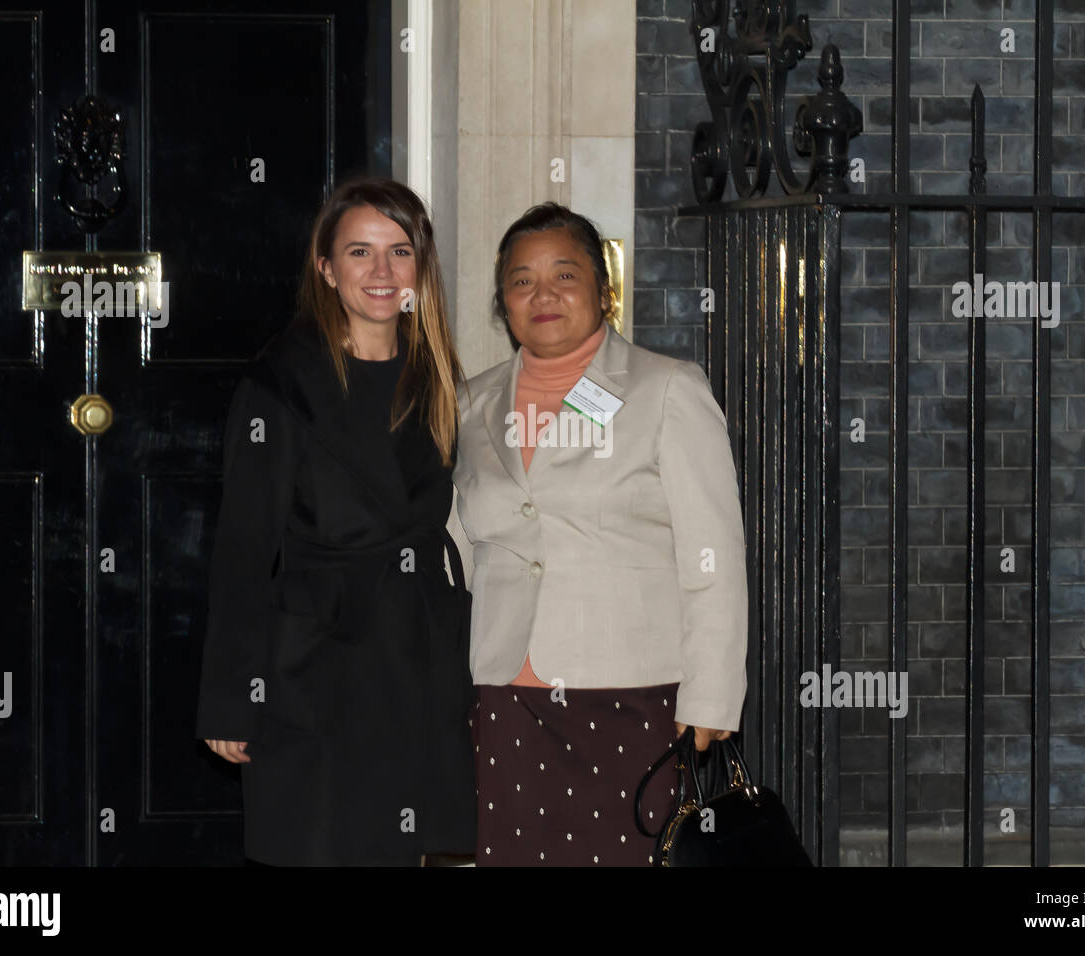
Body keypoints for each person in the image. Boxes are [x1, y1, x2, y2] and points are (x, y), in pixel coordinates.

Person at [447, 202, 748, 865]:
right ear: (503, 302)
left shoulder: (664, 389)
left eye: (565, 274)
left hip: (629, 698)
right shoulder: (472, 404)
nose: (543, 294)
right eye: (522, 280)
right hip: (506, 700)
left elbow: (714, 556)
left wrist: (713, 691)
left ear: (603, 289)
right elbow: (460, 548)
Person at [195, 177, 475, 865]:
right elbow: (242, 548)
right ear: (326, 267)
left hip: (414, 655)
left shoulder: (435, 376)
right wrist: (231, 697)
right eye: (359, 252)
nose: (381, 273)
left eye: (399, 251)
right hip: (311, 665)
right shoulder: (282, 381)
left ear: (421, 267)